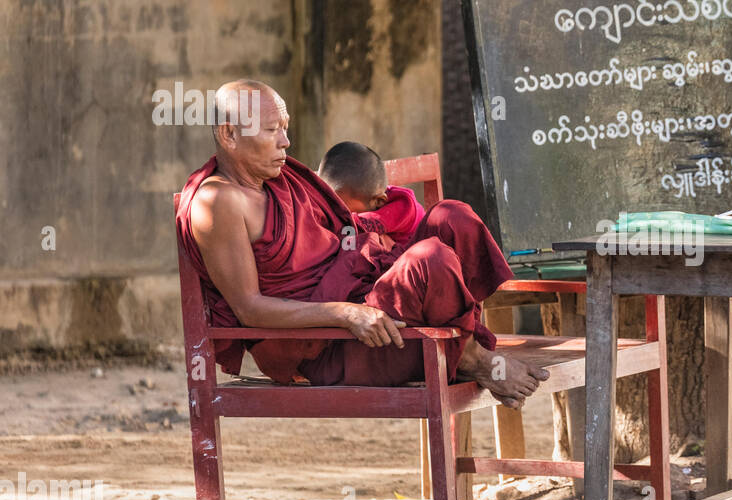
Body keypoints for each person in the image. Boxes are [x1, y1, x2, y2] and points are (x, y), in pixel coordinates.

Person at [174, 80, 545, 407]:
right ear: (229, 135)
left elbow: (339, 233)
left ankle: (463, 346)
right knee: (428, 259)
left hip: (364, 300)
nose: (286, 141)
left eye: (284, 129)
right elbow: (250, 310)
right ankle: (478, 360)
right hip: (329, 345)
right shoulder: (218, 202)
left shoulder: (282, 179)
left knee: (453, 217)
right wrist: (347, 314)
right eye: (271, 130)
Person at [317, 140, 424, 248]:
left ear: (378, 201)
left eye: (341, 207)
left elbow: (352, 225)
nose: (331, 211)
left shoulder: (402, 209)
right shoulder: (370, 196)